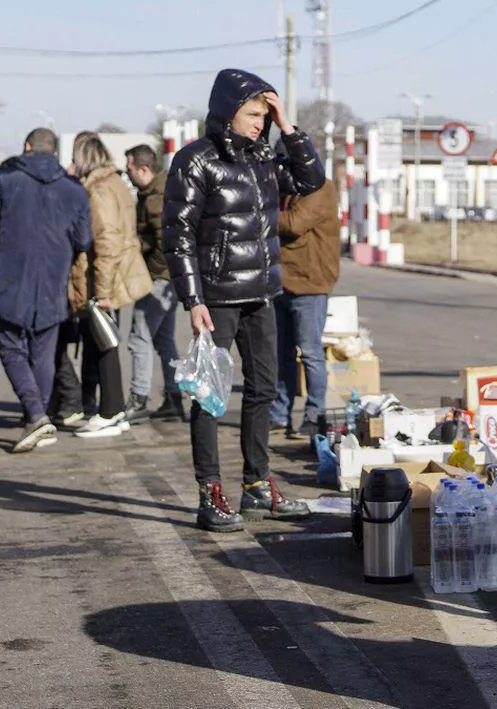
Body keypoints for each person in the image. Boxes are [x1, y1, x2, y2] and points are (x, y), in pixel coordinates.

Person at [163, 68, 325, 531]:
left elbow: (312, 179)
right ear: (227, 111)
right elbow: (178, 235)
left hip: (262, 293)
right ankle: (209, 492)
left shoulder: (263, 158)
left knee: (262, 389)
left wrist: (288, 124)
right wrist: (192, 299)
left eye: (264, 114)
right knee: (210, 396)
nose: (260, 122)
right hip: (215, 297)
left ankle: (256, 485)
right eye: (252, 113)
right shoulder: (195, 160)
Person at [0, 127, 92, 453]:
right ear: (54, 152)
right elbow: (84, 240)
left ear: (27, 147)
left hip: (8, 276)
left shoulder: (4, 180)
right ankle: (35, 418)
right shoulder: (74, 189)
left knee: (11, 347)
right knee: (42, 352)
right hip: (54, 279)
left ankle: (36, 415)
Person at [68, 135, 152, 438]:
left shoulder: (99, 189)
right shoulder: (114, 182)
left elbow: (106, 241)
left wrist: (101, 292)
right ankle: (111, 410)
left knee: (105, 344)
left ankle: (111, 412)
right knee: (106, 343)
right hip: (118, 272)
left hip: (107, 278)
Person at [269, 177, 340, 438]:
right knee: (282, 353)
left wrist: (261, 212)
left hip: (310, 283)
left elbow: (295, 223)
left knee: (310, 353)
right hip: (283, 280)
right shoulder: (286, 188)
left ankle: (314, 416)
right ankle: (279, 415)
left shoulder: (319, 186)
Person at [123, 143, 184, 422]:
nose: (128, 175)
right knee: (163, 339)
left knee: (139, 337)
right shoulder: (156, 192)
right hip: (167, 279)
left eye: (130, 170)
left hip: (158, 279)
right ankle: (173, 399)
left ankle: (139, 398)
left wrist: (150, 276)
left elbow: (164, 244)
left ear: (144, 169)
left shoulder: (155, 198)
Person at [48, 131, 100, 429]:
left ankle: (77, 402)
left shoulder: (86, 190)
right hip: (77, 280)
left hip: (81, 281)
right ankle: (78, 401)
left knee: (81, 345)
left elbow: (89, 239)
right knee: (75, 344)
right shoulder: (79, 188)